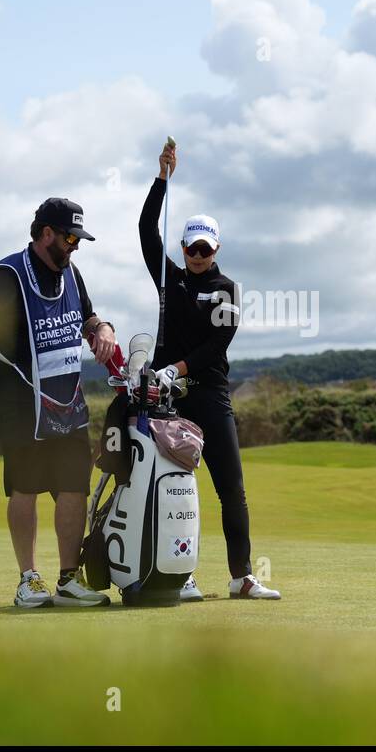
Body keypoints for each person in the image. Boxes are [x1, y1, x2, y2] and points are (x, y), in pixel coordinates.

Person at [0, 197, 118, 608]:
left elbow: (88, 317)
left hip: (67, 399)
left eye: (79, 239)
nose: (75, 246)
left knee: (74, 485)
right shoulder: (5, 276)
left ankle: (69, 580)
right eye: (70, 238)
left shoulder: (71, 273)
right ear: (46, 234)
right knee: (25, 486)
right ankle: (29, 580)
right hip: (18, 397)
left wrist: (102, 327)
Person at [138, 140, 281, 600]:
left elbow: (216, 344)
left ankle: (242, 576)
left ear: (216, 247)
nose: (197, 254)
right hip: (170, 401)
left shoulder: (227, 289)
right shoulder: (169, 277)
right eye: (191, 247)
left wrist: (174, 370)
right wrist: (162, 180)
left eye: (205, 248)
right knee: (174, 488)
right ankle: (181, 575)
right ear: (181, 247)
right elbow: (145, 229)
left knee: (231, 490)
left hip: (208, 395)